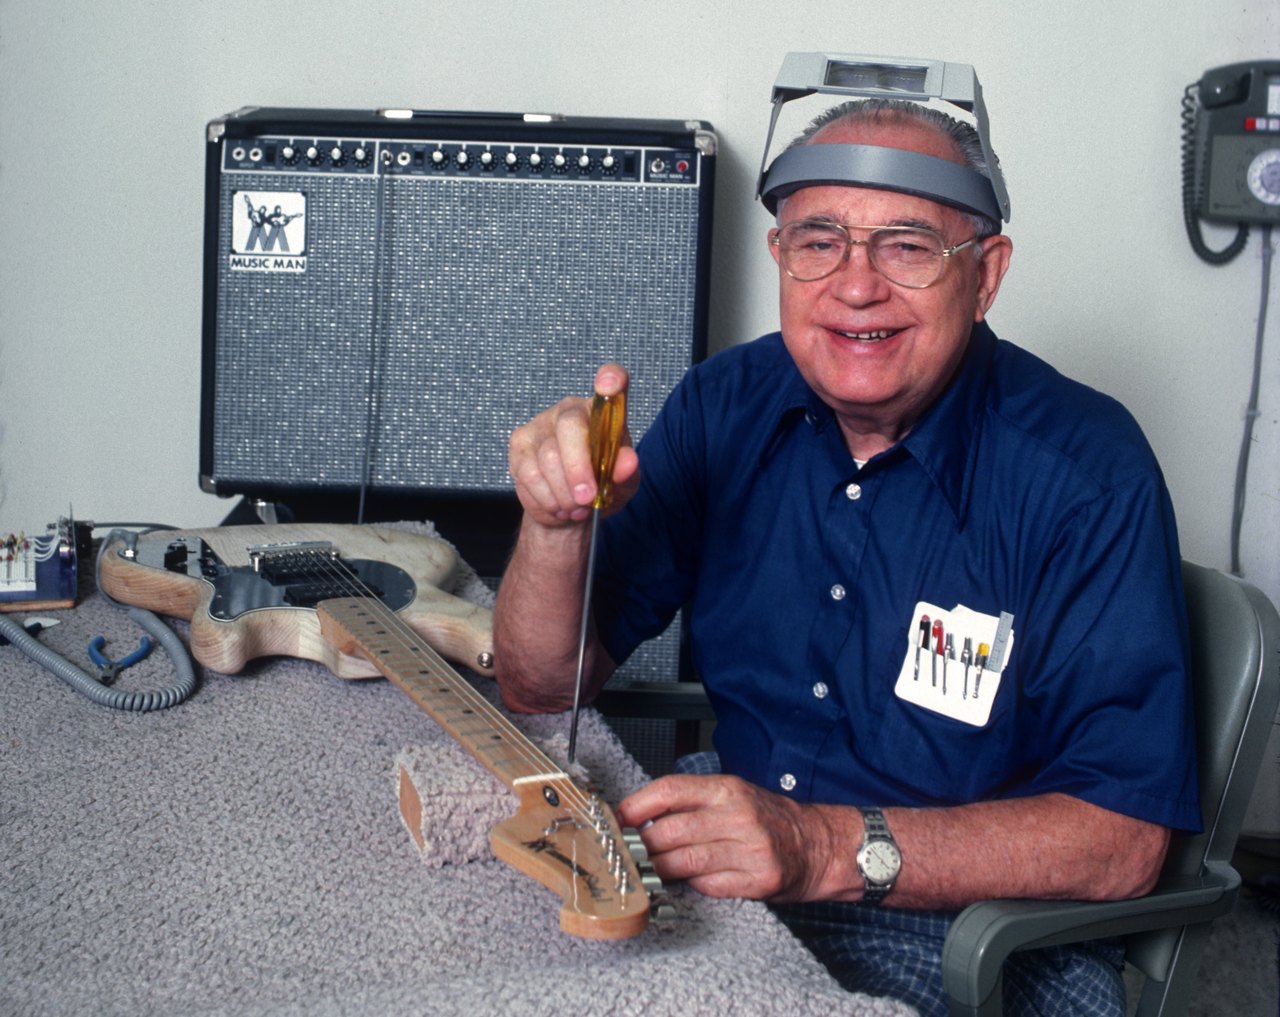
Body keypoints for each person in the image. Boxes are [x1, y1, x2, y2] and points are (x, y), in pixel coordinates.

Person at [493, 91, 1200, 1016]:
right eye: (819, 240)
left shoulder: (1086, 473)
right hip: (741, 856)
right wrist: (555, 528)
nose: (855, 286)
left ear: (985, 275)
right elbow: (542, 686)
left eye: (906, 246)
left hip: (971, 932)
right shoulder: (724, 406)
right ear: (781, 258)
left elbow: (1123, 839)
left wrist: (821, 845)